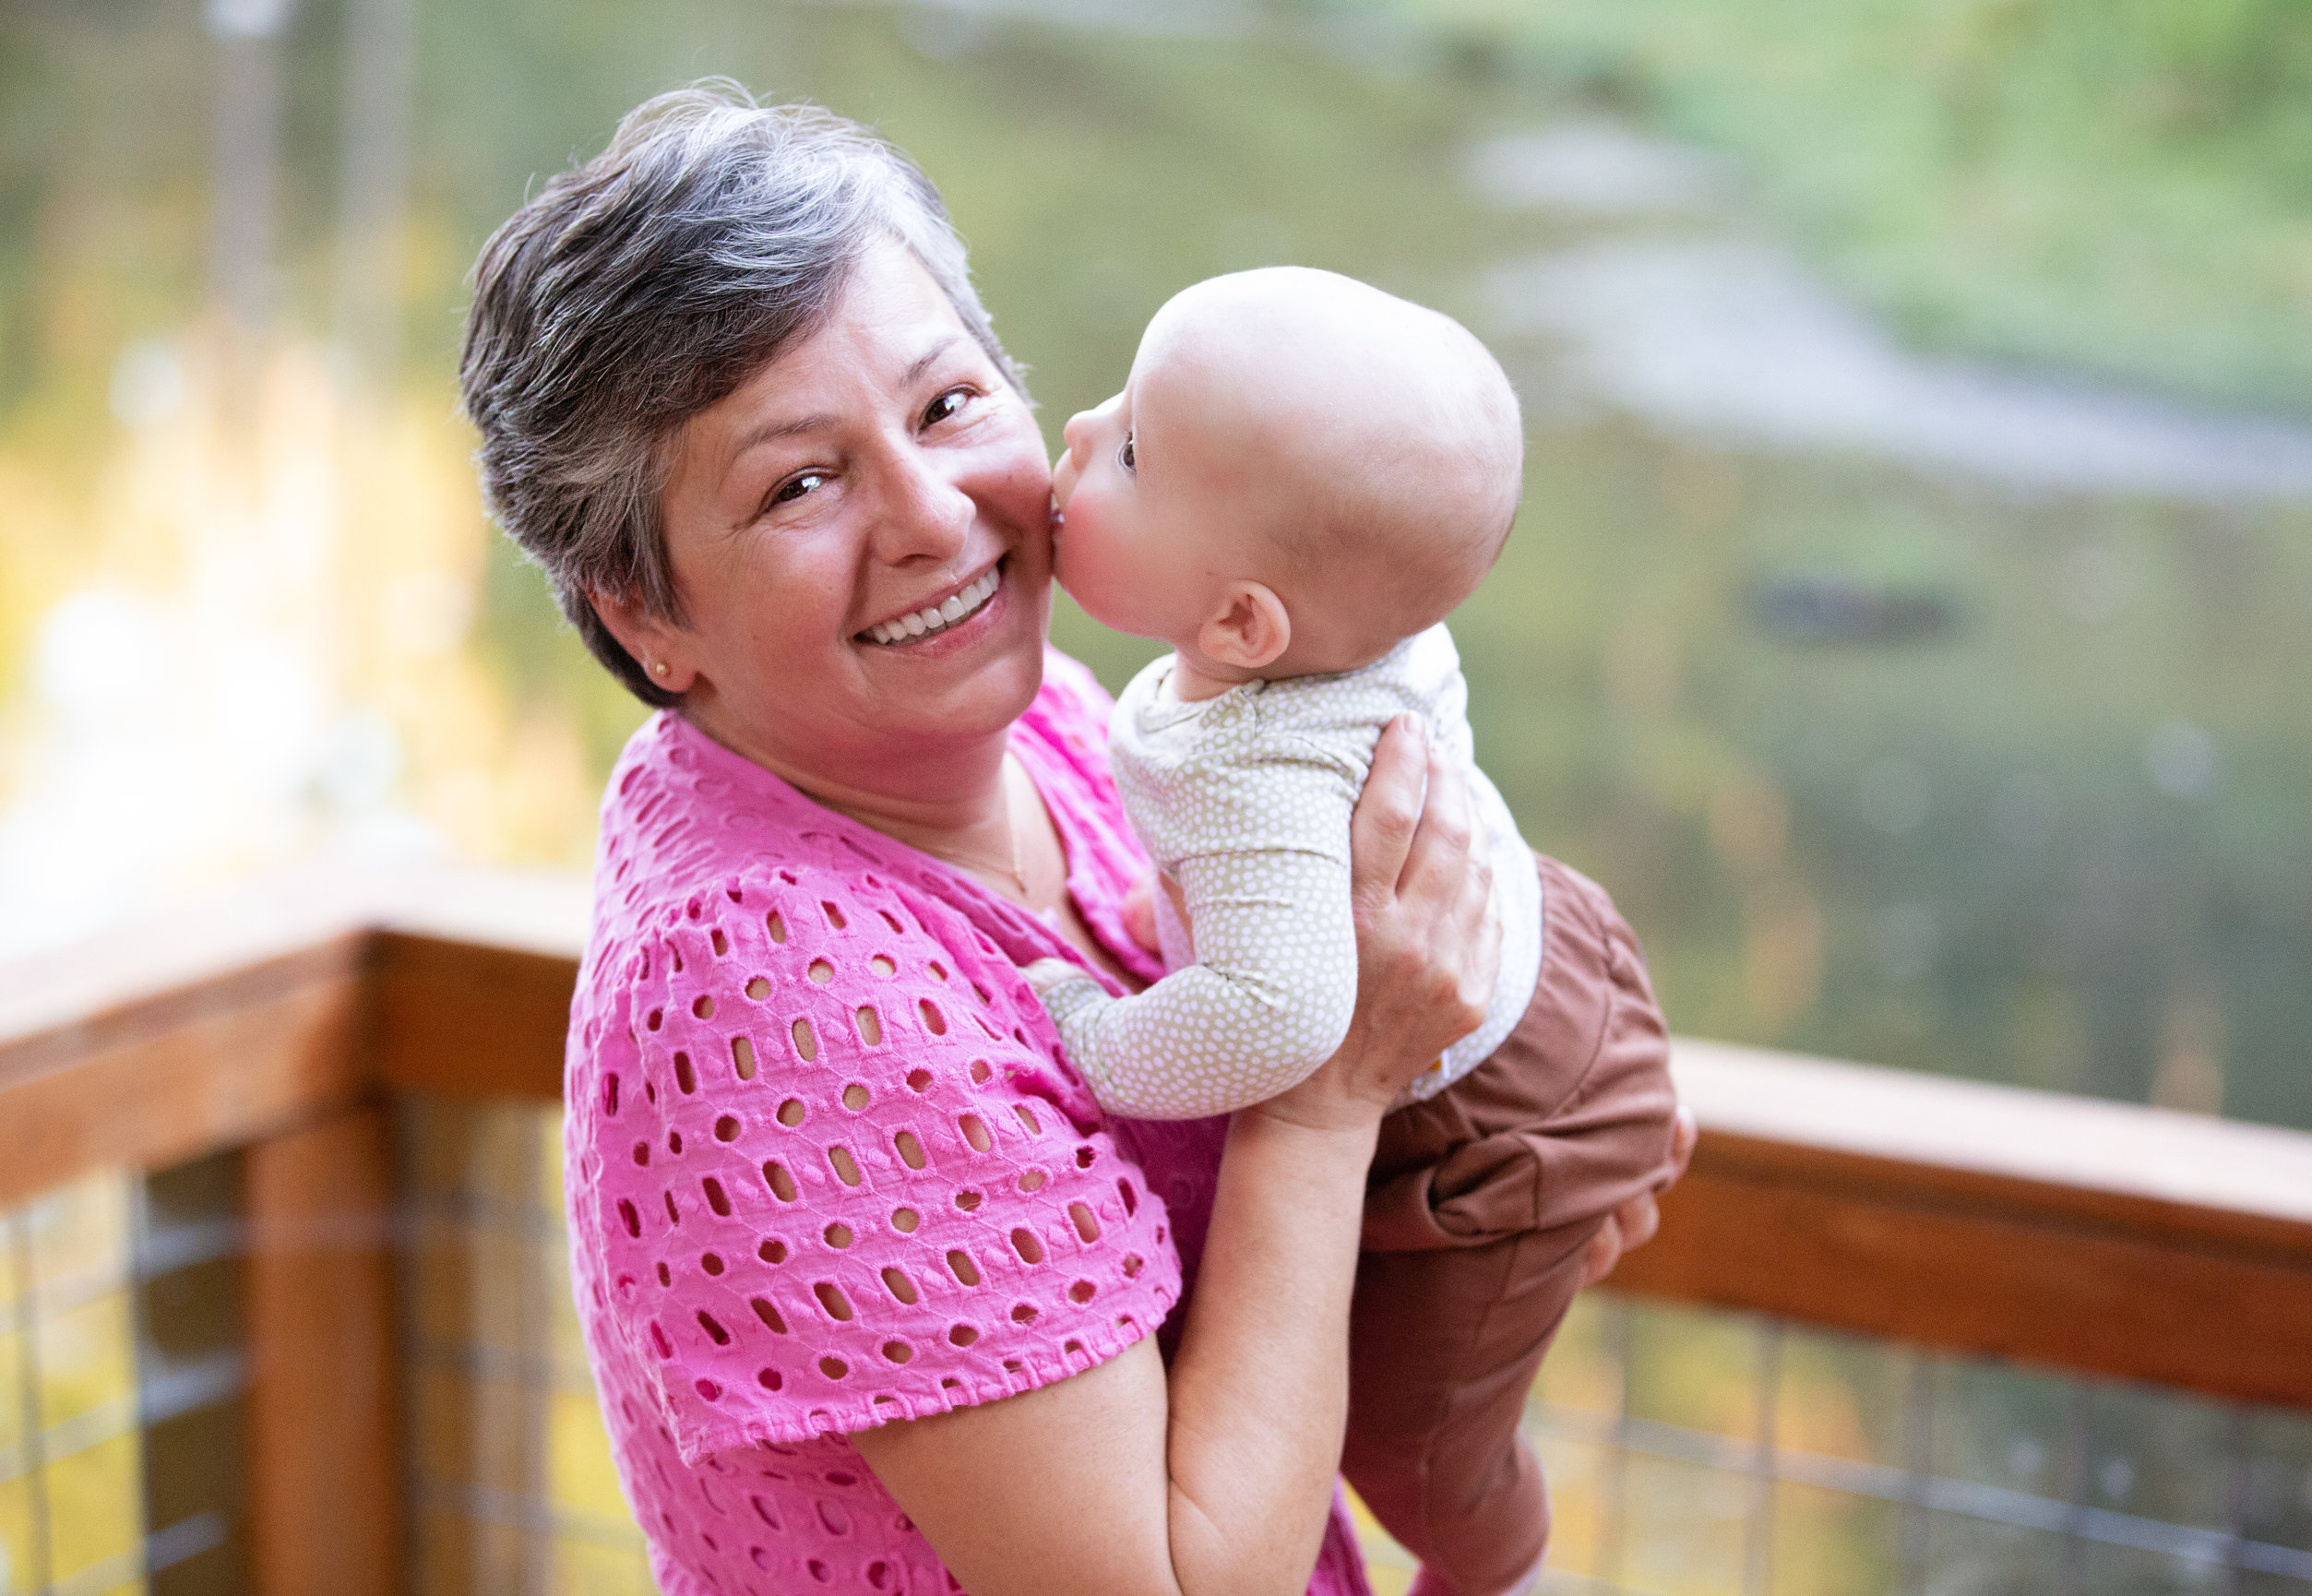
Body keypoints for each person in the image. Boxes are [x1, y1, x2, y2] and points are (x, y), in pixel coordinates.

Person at [459, 83, 1692, 1596]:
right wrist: (1336, 1093)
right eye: (797, 483)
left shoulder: (1047, 716)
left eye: (948, 404)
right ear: (645, 614)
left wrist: (1530, 1158)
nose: (933, 515)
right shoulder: (775, 982)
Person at [1028, 267, 1679, 1595]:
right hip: (1547, 943)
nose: (1080, 431)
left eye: (1134, 449)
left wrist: (1091, 1036)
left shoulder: (1263, 764)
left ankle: (1504, 1569)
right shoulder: (1326, 635)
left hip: (1503, 1106)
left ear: (1244, 622)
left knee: (1414, 1449)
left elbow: (1280, 1015)